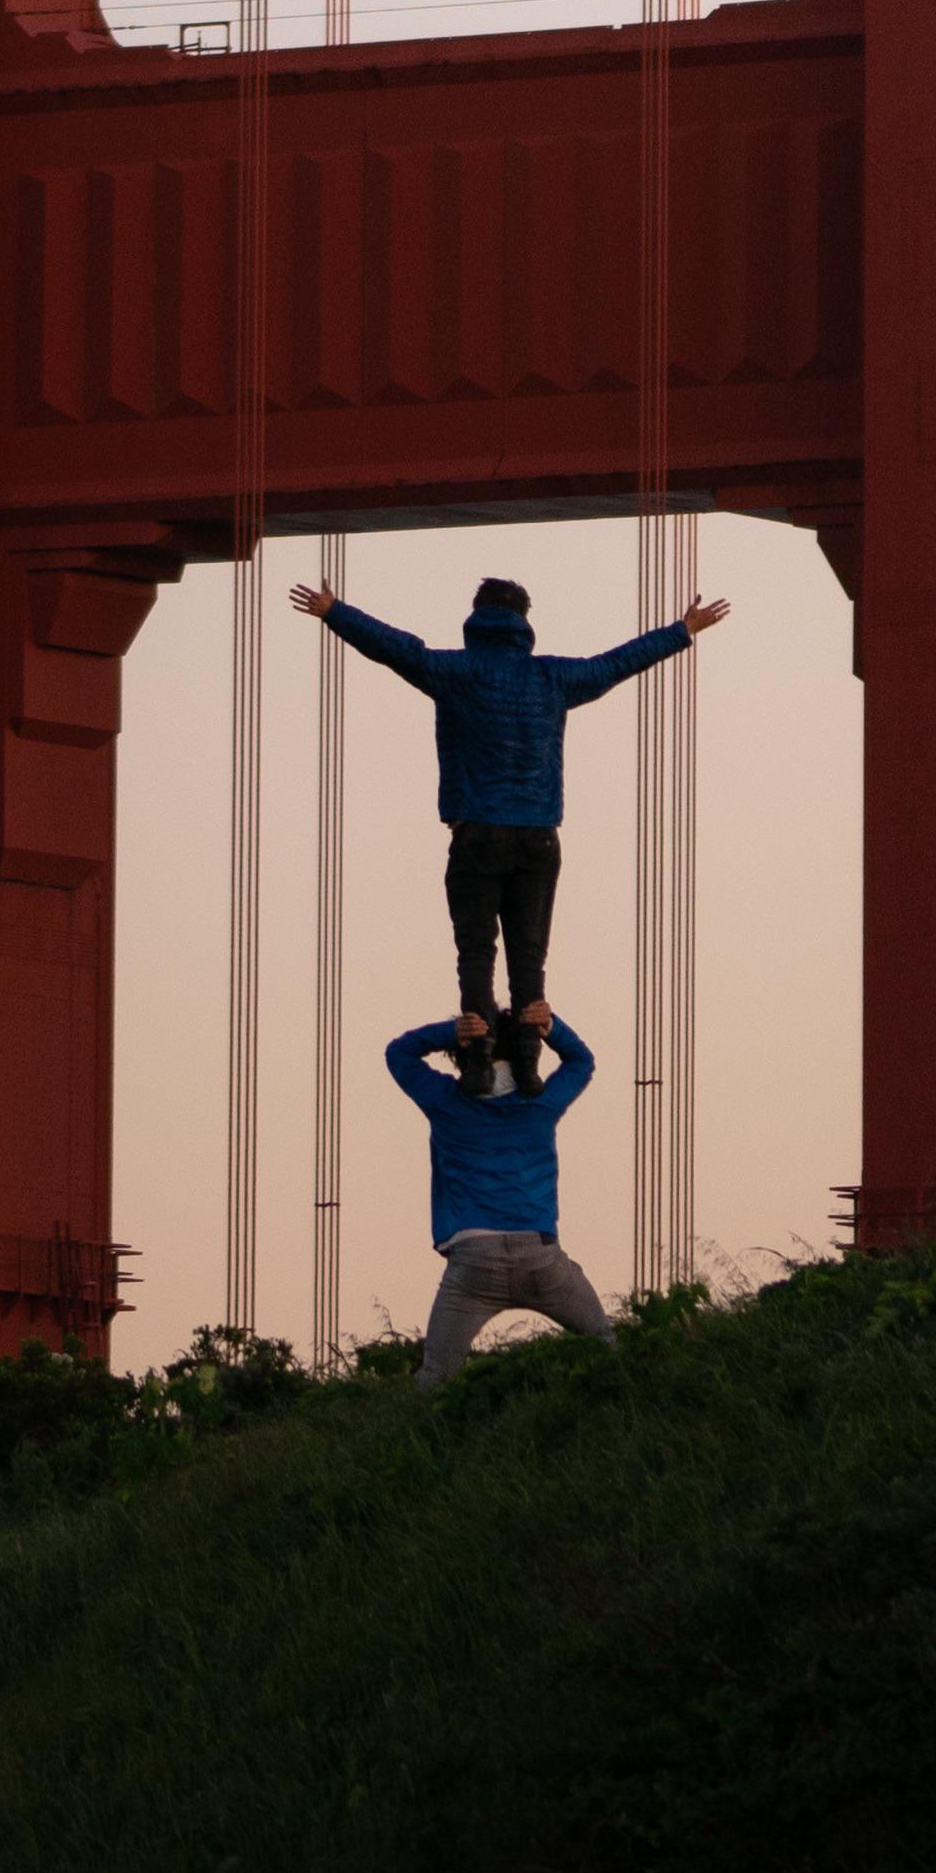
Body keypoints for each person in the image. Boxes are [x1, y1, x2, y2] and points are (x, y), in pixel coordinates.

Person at [292, 568, 730, 1054]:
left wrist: (335, 613)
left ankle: (478, 1061)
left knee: (476, 955)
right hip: (538, 835)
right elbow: (613, 665)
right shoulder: (553, 676)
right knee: (529, 960)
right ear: (524, 621)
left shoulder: (454, 671)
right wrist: (680, 630)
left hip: (477, 831)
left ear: (476, 617)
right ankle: (526, 1062)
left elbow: (398, 650)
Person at [385, 997, 609, 1386]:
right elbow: (581, 1062)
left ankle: (420, 1443)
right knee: (605, 1346)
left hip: (473, 1260)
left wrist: (451, 1033)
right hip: (539, 1256)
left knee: (436, 1377)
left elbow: (398, 1054)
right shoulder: (540, 1103)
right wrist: (551, 1027)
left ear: (462, 1056)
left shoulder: (447, 1101)